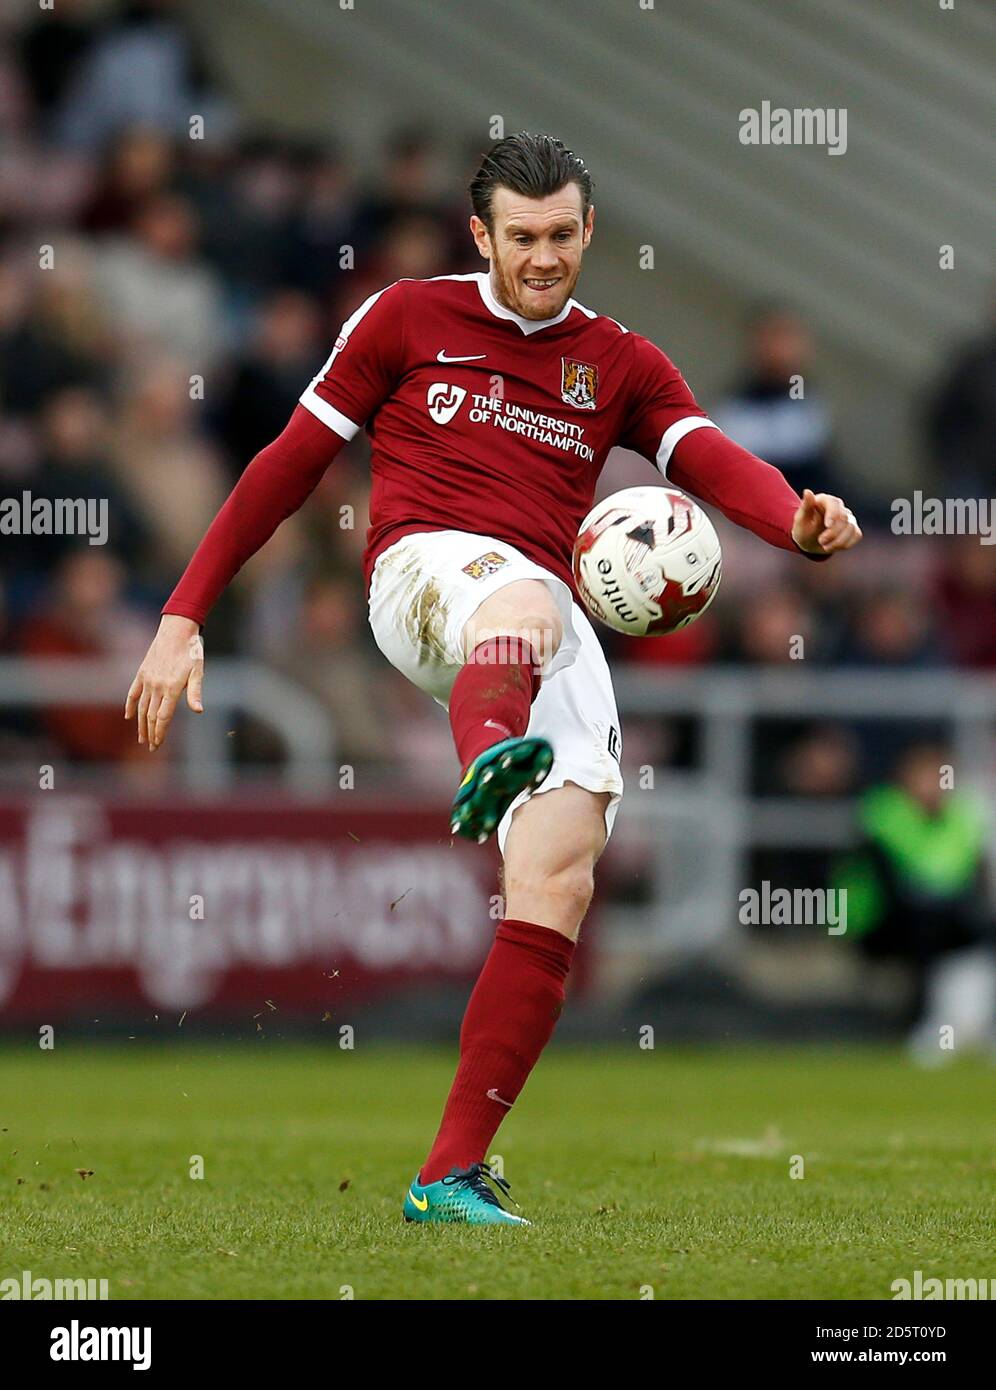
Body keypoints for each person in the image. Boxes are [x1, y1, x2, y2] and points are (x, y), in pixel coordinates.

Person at [125, 133, 862, 1225]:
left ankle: (449, 1173)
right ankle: (489, 763)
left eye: (564, 235)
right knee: (517, 598)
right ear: (482, 236)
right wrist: (184, 611)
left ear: (588, 230)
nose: (546, 256)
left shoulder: (619, 360)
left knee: (560, 876)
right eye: (523, 238)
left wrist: (789, 516)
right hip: (422, 577)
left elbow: (705, 456)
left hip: (543, 618)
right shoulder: (404, 319)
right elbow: (287, 460)